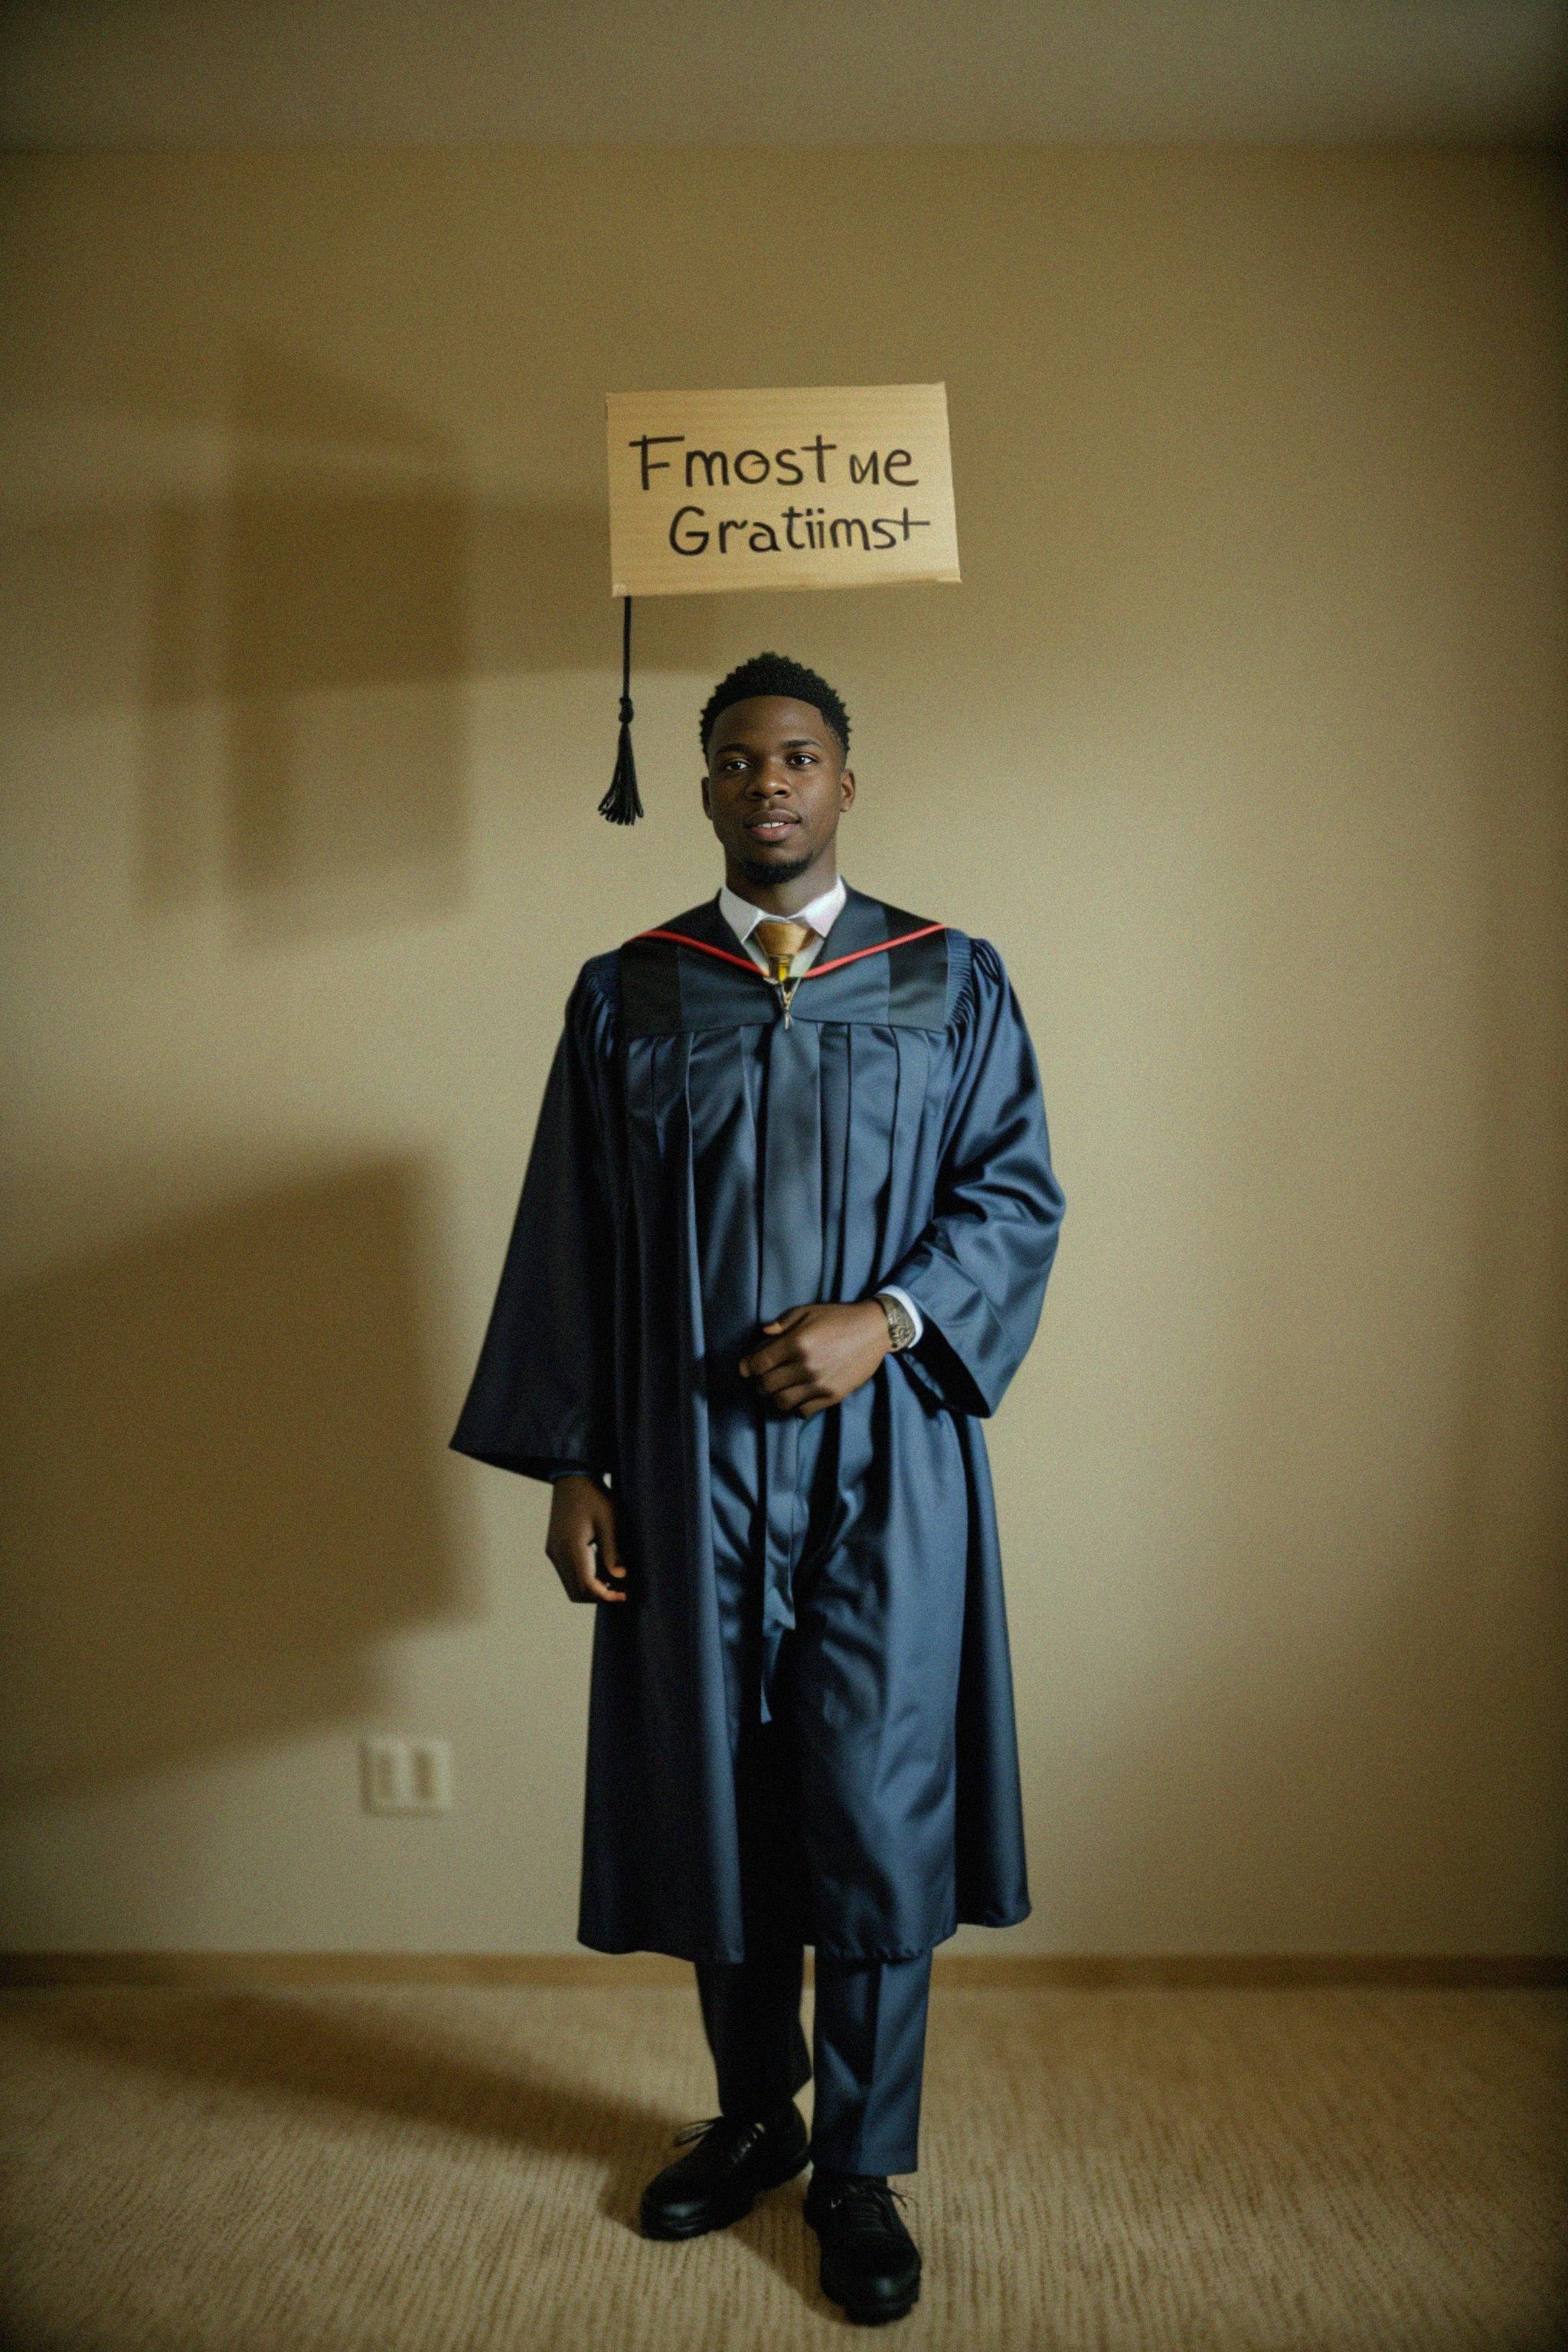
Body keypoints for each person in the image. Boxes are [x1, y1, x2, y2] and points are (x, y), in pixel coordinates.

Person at [450, 652, 1066, 2324]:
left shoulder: (951, 978)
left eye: (799, 756)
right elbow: (567, 1238)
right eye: (737, 760)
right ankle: (753, 2115)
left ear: (846, 783)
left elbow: (1015, 1194)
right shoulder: (628, 991)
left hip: (890, 1463)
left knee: (872, 1804)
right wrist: (570, 1462)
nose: (769, 782)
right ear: (707, 789)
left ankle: (861, 2169)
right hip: (683, 1460)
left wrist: (890, 1320)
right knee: (718, 1794)